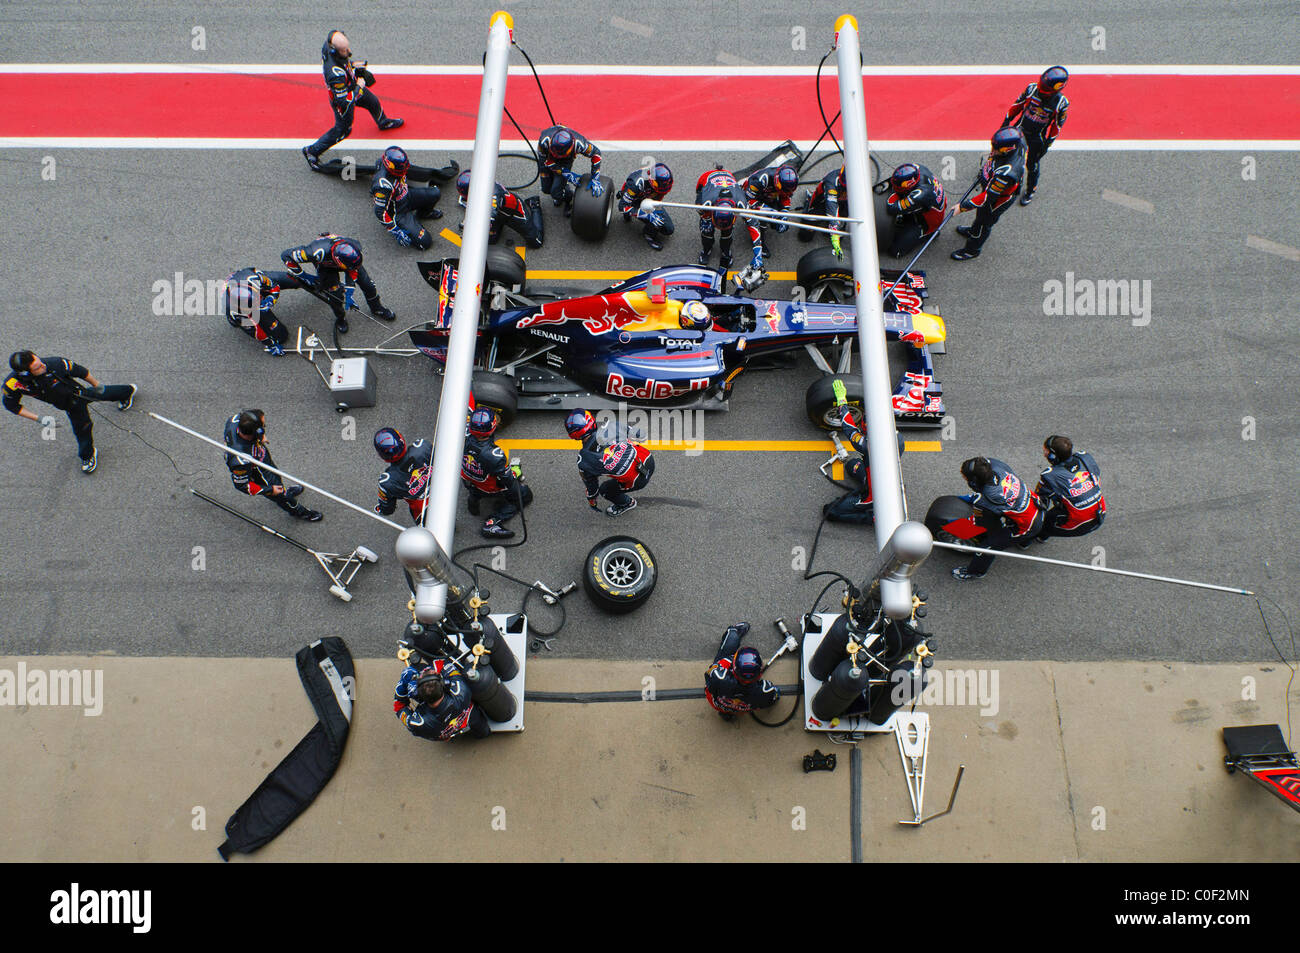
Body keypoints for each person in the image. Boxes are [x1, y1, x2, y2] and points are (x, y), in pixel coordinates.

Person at [3, 350, 136, 474]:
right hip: (64, 404)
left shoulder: (56, 363)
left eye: (39, 361)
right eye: (37, 368)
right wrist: (40, 419)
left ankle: (87, 455)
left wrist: (97, 385)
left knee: (83, 428)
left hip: (78, 395)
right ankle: (127, 392)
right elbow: (12, 406)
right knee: (89, 413)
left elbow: (81, 372)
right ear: (25, 374)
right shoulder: (13, 384)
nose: (43, 366)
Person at [303, 29, 403, 170]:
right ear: (334, 51)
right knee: (343, 130)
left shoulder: (331, 41)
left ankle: (383, 122)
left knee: (372, 101)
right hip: (343, 99)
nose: (349, 51)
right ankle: (312, 151)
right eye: (345, 51)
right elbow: (344, 101)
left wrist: (352, 64)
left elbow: (341, 55)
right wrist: (358, 86)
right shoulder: (335, 75)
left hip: (351, 85)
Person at [821, 385, 906, 525]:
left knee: (830, 511)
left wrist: (842, 400)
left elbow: (848, 427)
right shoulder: (898, 437)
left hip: (875, 495)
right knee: (851, 464)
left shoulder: (865, 445)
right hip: (885, 480)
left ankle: (873, 517)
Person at [280, 233, 394, 335]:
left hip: (348, 263)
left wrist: (349, 293)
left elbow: (353, 271)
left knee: (368, 285)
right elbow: (286, 255)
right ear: (338, 261)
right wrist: (303, 275)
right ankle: (340, 318)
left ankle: (377, 308)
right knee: (335, 295)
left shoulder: (354, 249)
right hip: (326, 266)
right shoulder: (314, 252)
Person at [951, 456, 1043, 580]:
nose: (963, 478)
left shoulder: (986, 500)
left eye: (965, 477)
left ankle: (976, 572)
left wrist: (953, 527)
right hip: (1035, 504)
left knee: (987, 547)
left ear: (974, 481)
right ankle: (1024, 543)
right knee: (1011, 520)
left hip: (1028, 525)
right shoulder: (997, 465)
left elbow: (981, 523)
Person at [222, 409, 322, 521]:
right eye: (263, 426)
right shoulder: (240, 460)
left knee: (277, 478)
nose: (265, 427)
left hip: (263, 460)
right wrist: (269, 490)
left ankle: (283, 490)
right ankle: (299, 512)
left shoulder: (235, 420)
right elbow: (243, 486)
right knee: (281, 496)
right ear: (256, 431)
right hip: (261, 475)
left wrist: (260, 436)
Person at [950, 127, 1026, 261]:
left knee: (984, 222)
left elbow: (987, 198)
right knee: (979, 218)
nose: (993, 151)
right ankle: (973, 231)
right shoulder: (1018, 142)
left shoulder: (1007, 173)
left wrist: (962, 207)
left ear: (1007, 149)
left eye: (996, 149)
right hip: (994, 188)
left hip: (997, 201)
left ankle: (972, 250)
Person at [565, 408, 655, 517]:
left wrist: (591, 499)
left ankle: (627, 503)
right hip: (648, 460)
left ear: (573, 436)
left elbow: (592, 489)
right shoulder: (612, 425)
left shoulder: (583, 460)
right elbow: (642, 435)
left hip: (637, 481)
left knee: (605, 490)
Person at [461, 407, 532, 538]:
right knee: (525, 495)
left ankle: (473, 501)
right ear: (492, 427)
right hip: (488, 487)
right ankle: (492, 522)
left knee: (475, 486)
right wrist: (514, 477)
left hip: (468, 480)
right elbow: (509, 481)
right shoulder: (494, 455)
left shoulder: (458, 434)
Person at [1003, 66, 1069, 205]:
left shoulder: (1061, 104)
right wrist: (1007, 122)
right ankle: (1002, 179)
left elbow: (1056, 126)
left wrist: (1047, 144)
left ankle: (1030, 190)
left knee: (1032, 165)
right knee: (1005, 153)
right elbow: (1017, 105)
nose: (1041, 91)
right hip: (1019, 130)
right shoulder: (1031, 89)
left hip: (1036, 138)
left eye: (1045, 91)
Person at [393, 658, 490, 741]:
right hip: (469, 716)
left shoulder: (417, 723)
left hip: (443, 734)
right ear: (444, 684)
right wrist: (430, 670)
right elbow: (445, 664)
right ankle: (483, 734)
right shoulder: (461, 692)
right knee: (482, 728)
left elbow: (399, 707)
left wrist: (402, 686)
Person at [370, 146, 442, 250]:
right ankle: (406, 227)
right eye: (401, 169)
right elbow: (379, 211)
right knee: (425, 242)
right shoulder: (383, 185)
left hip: (407, 196)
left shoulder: (391, 164)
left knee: (435, 193)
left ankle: (424, 213)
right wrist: (394, 229)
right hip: (398, 212)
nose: (405, 171)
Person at [704, 623, 779, 721]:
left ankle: (733, 631)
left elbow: (710, 673)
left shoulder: (717, 677)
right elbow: (774, 697)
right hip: (741, 710)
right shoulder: (765, 691)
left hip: (717, 704)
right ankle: (728, 713)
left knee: (731, 641)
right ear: (759, 674)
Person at [1035, 434, 1105, 539]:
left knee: (1041, 523)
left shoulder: (1050, 476)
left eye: (1046, 451)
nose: (1044, 454)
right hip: (1101, 511)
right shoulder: (1085, 457)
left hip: (1080, 525)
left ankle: (1033, 538)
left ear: (1053, 457)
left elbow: (1040, 502)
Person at [454, 170, 544, 248]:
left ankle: (534, 205)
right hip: (499, 212)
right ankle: (500, 223)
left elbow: (488, 217)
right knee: (491, 240)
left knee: (536, 242)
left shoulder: (493, 196)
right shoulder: (480, 182)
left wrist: (467, 226)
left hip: (515, 213)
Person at [739, 163, 799, 269]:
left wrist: (784, 214)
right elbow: (749, 200)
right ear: (778, 182)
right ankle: (759, 241)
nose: (789, 192)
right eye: (786, 190)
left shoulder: (787, 185)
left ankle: (774, 222)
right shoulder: (759, 180)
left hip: (768, 198)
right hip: (751, 199)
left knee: (778, 219)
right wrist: (771, 213)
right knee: (761, 220)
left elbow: (785, 197)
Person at [884, 162, 947, 258]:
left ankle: (931, 234)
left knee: (895, 251)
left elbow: (892, 207)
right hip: (929, 202)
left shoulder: (920, 195)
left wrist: (893, 191)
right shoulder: (917, 168)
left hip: (927, 222)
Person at [223, 267, 291, 356]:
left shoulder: (254, 278)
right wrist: (270, 344)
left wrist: (271, 299)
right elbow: (255, 330)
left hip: (251, 278)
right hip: (240, 307)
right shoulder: (235, 311)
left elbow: (274, 286)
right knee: (281, 336)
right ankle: (234, 321)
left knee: (293, 279)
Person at [536, 125, 602, 215]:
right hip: (547, 158)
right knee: (546, 189)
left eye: (559, 155)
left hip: (565, 161)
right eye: (555, 153)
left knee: (555, 193)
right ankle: (562, 187)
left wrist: (595, 178)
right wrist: (562, 171)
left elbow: (597, 155)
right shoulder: (544, 140)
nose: (557, 156)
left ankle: (568, 197)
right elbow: (543, 160)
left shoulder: (581, 144)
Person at [374, 427, 433, 524]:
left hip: (422, 512)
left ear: (382, 456)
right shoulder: (423, 447)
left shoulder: (387, 482)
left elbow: (387, 509)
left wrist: (380, 509)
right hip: (444, 491)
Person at [616, 163, 675, 250]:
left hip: (648, 198)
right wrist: (646, 214)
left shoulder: (661, 185)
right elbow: (622, 207)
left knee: (668, 229)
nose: (664, 188)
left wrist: (655, 210)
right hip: (634, 199)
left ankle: (644, 218)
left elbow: (658, 198)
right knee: (654, 219)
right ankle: (648, 234)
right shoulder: (636, 184)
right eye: (661, 185)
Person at [695, 165, 741, 269]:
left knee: (727, 233)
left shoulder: (739, 201)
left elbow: (740, 213)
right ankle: (706, 249)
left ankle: (725, 250)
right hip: (711, 192)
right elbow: (698, 195)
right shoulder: (704, 202)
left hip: (727, 199)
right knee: (706, 231)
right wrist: (706, 218)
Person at [799, 164, 847, 256]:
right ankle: (808, 201)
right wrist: (834, 236)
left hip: (844, 205)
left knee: (840, 233)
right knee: (805, 236)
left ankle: (832, 227)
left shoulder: (860, 183)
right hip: (822, 203)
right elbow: (831, 208)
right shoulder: (831, 181)